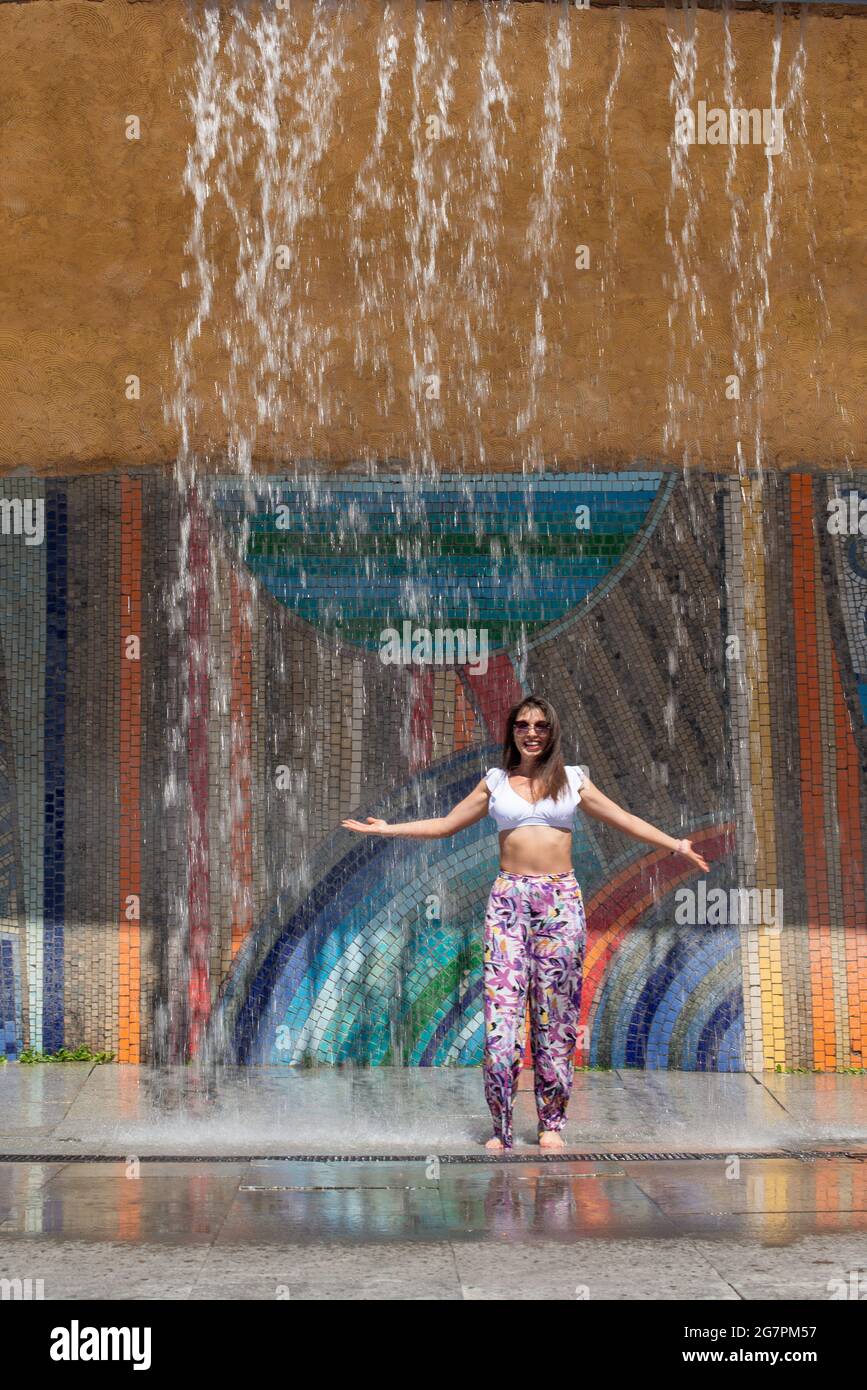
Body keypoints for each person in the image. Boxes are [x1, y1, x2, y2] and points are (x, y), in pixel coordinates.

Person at [342, 694, 710, 1152]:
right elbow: (445, 825)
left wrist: (675, 845)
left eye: (540, 726)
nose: (531, 733)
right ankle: (501, 1127)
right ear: (512, 732)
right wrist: (387, 830)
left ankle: (551, 1123)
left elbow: (623, 819)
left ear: (551, 732)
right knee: (501, 1023)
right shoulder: (494, 782)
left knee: (555, 1018)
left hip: (560, 900)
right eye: (522, 726)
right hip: (508, 902)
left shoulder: (573, 780)